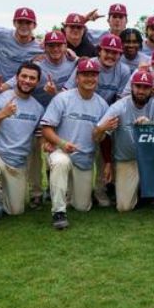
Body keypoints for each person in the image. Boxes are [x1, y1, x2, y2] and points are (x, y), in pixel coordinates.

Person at [0, 62, 46, 235]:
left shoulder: (38, 108)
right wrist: (2, 115)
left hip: (16, 163)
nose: (27, 81)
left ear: (37, 82)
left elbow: (39, 138)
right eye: (24, 76)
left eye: (32, 78)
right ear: (17, 78)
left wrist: (48, 143)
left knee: (15, 211)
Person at [95, 70, 154, 214]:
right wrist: (108, 161)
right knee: (124, 207)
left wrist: (150, 126)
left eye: (145, 87)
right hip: (127, 160)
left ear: (151, 90)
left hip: (151, 160)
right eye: (138, 86)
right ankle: (144, 194)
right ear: (132, 87)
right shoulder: (119, 107)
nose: (141, 91)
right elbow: (100, 136)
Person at [41, 58, 109, 229]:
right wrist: (62, 143)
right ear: (77, 77)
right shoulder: (62, 98)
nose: (89, 79)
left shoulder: (102, 104)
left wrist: (108, 161)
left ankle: (66, 192)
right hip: (62, 151)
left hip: (85, 159)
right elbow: (46, 129)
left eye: (93, 75)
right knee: (60, 162)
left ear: (97, 78)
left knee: (82, 207)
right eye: (85, 75)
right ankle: (59, 212)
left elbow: (104, 139)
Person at [0, 7, 43, 85]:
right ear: (14, 23)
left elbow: (57, 49)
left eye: (28, 23)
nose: (24, 26)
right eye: (20, 22)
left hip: (22, 91)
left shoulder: (39, 48)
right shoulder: (1, 34)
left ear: (34, 25)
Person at [95, 33, 132, 104]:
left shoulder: (124, 71)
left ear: (120, 55)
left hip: (111, 109)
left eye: (115, 52)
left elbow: (121, 99)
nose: (110, 56)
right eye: (107, 51)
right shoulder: (89, 64)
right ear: (99, 51)